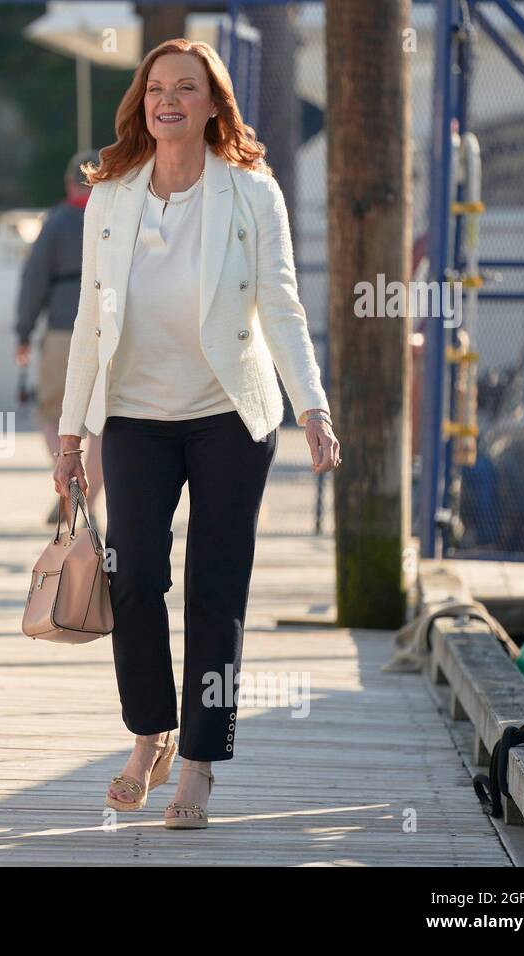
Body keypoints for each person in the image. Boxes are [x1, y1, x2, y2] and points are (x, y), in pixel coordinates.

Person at [53, 39, 341, 829]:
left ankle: (200, 764)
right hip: (136, 419)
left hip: (229, 418)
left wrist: (312, 408)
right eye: (156, 89)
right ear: (142, 104)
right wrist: (71, 434)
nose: (167, 100)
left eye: (186, 88)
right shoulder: (110, 196)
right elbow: (88, 319)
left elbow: (280, 307)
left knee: (217, 588)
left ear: (214, 103)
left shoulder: (251, 193)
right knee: (135, 574)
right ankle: (150, 732)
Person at [15, 147, 104, 526]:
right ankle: (89, 500)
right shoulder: (120, 216)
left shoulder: (56, 222)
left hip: (63, 331)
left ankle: (69, 486)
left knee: (52, 414)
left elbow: (34, 280)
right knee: (101, 423)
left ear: (70, 182)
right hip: (109, 332)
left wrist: (23, 332)